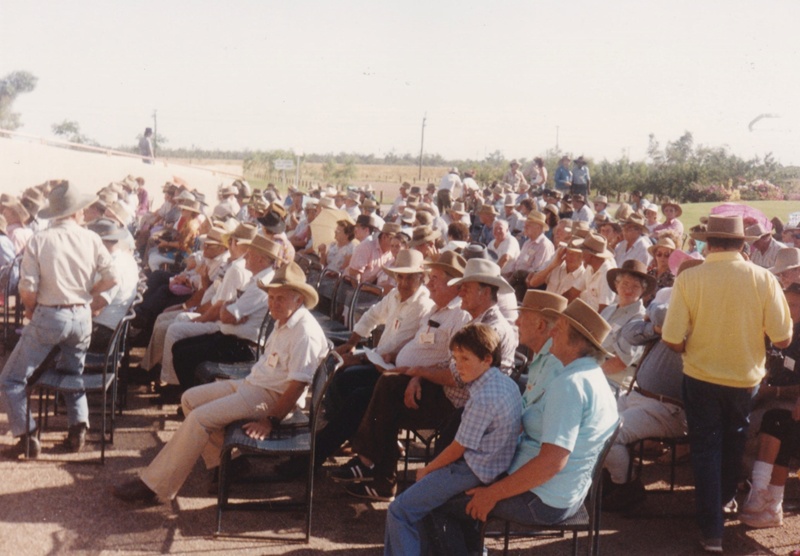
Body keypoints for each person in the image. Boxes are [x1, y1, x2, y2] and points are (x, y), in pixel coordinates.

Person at [112, 263, 328, 503]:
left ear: (298, 300)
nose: (274, 303)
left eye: (281, 298)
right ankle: (230, 463)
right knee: (189, 399)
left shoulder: (304, 333)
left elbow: (297, 386)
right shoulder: (285, 320)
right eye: (271, 297)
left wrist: (269, 421)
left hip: (271, 398)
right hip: (253, 384)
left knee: (199, 418)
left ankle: (154, 485)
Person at [427, 299, 619, 553]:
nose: (551, 332)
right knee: (453, 489)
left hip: (544, 499)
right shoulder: (593, 375)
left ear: (577, 341)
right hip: (563, 492)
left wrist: (492, 493)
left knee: (435, 503)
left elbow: (552, 462)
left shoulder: (570, 384)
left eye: (558, 329)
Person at [662, 215, 793, 553]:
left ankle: (712, 529)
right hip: (744, 379)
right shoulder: (763, 278)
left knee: (706, 447)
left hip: (700, 376)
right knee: (732, 442)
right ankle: (721, 506)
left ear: (709, 243)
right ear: (742, 244)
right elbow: (782, 338)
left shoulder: (691, 279)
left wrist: (693, 345)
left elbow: (672, 338)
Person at [0, 183, 117, 458]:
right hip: (82, 316)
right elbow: (112, 278)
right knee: (72, 373)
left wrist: (31, 309)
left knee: (12, 378)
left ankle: (28, 435)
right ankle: (78, 428)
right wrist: (87, 293)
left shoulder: (41, 240)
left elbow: (27, 289)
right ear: (77, 212)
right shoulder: (91, 238)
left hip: (51, 314)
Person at [384, 324, 522, 554]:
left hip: (471, 470)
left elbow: (458, 448)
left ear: (487, 359)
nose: (459, 365)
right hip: (492, 465)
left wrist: (427, 470)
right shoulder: (505, 384)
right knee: (414, 506)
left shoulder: (484, 398)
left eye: (465, 359)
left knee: (400, 510)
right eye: (456, 358)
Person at [602, 295, 689, 512]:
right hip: (637, 396)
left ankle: (626, 485)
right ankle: (607, 480)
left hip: (666, 408)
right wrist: (657, 330)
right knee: (591, 421)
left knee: (608, 433)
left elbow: (659, 310)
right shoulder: (674, 314)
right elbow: (629, 332)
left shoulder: (697, 314)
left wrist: (656, 320)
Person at [739, 283, 800, 528]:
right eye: (785, 303)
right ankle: (772, 503)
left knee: (777, 421)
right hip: (770, 403)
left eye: (794, 304)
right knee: (765, 421)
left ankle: (760, 493)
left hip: (788, 404)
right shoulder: (774, 332)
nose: (788, 309)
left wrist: (775, 391)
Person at [600, 260, 654, 392]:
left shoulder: (640, 320)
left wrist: (589, 374)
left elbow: (620, 363)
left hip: (614, 383)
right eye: (625, 284)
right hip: (594, 369)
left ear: (643, 290)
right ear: (616, 285)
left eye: (636, 286)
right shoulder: (609, 310)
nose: (629, 290)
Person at [86, 218, 139, 352]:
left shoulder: (113, 268)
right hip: (110, 328)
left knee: (51, 328)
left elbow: (95, 309)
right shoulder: (127, 259)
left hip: (102, 333)